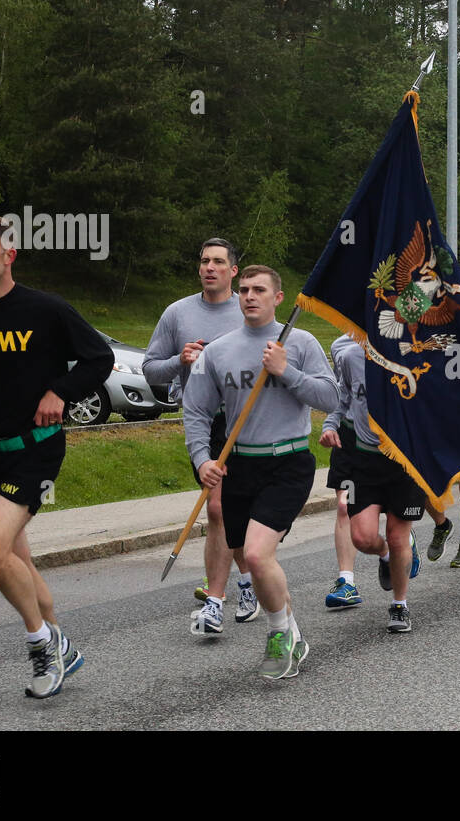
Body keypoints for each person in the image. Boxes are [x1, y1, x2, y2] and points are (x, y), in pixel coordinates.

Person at [0, 216, 114, 698]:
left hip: (35, 450)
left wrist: (60, 392)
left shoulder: (45, 310)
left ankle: (41, 644)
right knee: (13, 556)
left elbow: (100, 359)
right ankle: (63, 646)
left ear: (9, 256)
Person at [183, 265, 339, 676]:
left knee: (255, 554)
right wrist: (203, 459)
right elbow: (195, 409)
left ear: (278, 298)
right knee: (257, 557)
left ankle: (277, 633)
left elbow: (330, 397)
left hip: (288, 461)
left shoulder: (300, 342)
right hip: (239, 465)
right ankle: (294, 632)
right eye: (245, 290)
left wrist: (287, 371)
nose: (250, 296)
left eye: (259, 290)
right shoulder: (219, 350)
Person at [144, 238, 259, 623]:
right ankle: (244, 582)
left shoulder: (246, 310)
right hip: (202, 421)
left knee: (220, 508)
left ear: (233, 271)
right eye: (204, 261)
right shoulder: (177, 313)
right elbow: (150, 369)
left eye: (218, 262)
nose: (209, 267)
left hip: (244, 421)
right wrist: (181, 359)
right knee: (221, 509)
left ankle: (216, 599)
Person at [330, 336, 426, 632]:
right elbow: (343, 399)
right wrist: (331, 424)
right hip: (363, 460)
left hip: (406, 462)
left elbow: (438, 406)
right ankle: (386, 556)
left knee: (399, 537)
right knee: (361, 536)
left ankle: (400, 605)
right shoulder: (349, 357)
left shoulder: (418, 356)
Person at [318, 334, 363, 608]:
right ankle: (347, 582)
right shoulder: (340, 347)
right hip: (349, 437)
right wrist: (330, 425)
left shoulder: (400, 344)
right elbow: (343, 396)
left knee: (390, 512)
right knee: (346, 506)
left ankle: (396, 546)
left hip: (389, 444)